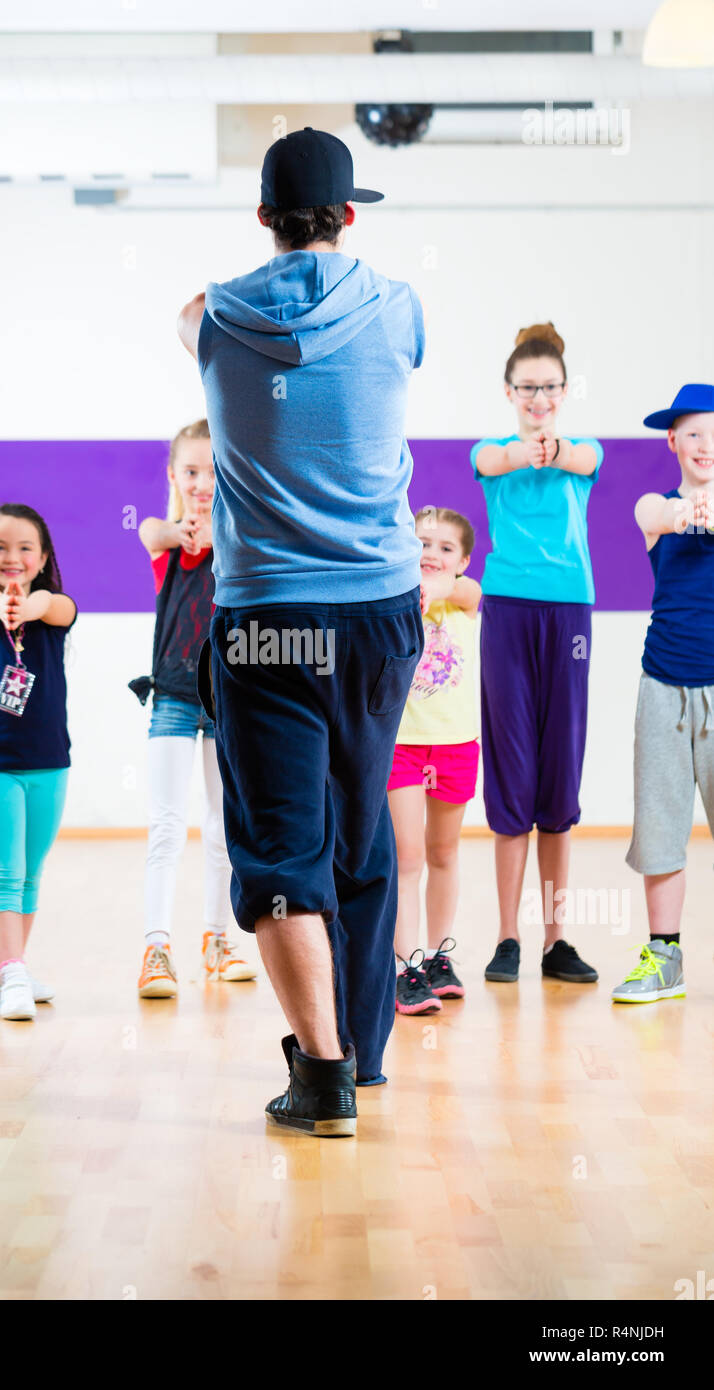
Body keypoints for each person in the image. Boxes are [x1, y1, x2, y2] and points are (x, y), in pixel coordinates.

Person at [178, 127, 425, 1137]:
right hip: (377, 612)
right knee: (359, 831)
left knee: (283, 847)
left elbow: (191, 312)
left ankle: (320, 1074)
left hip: (269, 617)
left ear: (263, 219)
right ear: (348, 215)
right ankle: (357, 1055)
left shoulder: (212, 319)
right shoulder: (398, 307)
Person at [473, 322, 602, 986]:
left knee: (559, 781)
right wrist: (530, 449)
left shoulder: (585, 451)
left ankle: (556, 941)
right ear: (509, 391)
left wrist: (554, 448)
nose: (539, 398)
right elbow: (494, 462)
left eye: (549, 387)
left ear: (564, 389)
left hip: (569, 612)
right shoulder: (491, 452)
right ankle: (507, 939)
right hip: (507, 614)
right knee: (511, 776)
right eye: (528, 388)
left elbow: (579, 459)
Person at [133, 418, 255, 998]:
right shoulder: (168, 539)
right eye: (191, 472)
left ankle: (216, 938)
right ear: (174, 476)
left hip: (228, 702)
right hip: (175, 699)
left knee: (222, 828)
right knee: (165, 825)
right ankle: (156, 948)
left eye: (214, 471)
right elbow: (151, 533)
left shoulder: (242, 538)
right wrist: (179, 528)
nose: (203, 483)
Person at [0, 504, 76, 1021]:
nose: (12, 556)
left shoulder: (52, 608)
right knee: (3, 870)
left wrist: (30, 604)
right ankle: (13, 966)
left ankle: (12, 969)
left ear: (43, 556)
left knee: (31, 871)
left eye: (25, 547)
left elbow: (57, 606)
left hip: (50, 760)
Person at [614, 383, 714, 1004]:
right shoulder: (657, 503)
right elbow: (651, 516)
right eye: (695, 433)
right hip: (663, 688)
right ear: (673, 441)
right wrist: (688, 513)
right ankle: (665, 959)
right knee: (659, 829)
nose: (706, 445)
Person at [389, 506, 480, 1016]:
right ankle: (406, 966)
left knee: (444, 853)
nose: (432, 554)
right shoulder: (397, 595)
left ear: (463, 559)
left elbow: (466, 592)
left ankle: (440, 958)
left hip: (455, 744)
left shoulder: (463, 598)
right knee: (409, 858)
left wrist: (441, 587)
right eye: (423, 543)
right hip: (402, 744)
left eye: (445, 548)